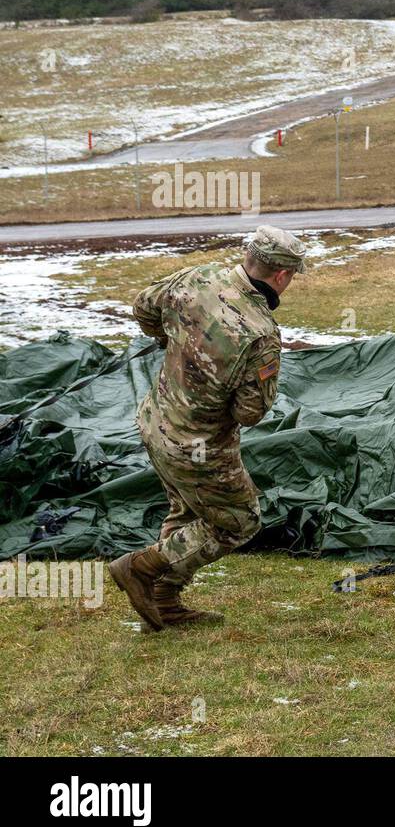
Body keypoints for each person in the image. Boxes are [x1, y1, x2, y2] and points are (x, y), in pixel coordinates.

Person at [108, 225, 307, 630]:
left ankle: (163, 601)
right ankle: (141, 568)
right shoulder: (260, 334)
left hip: (155, 424)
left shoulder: (196, 277)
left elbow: (144, 307)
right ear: (282, 276)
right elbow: (250, 412)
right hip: (197, 446)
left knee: (187, 511)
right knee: (238, 521)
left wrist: (176, 339)